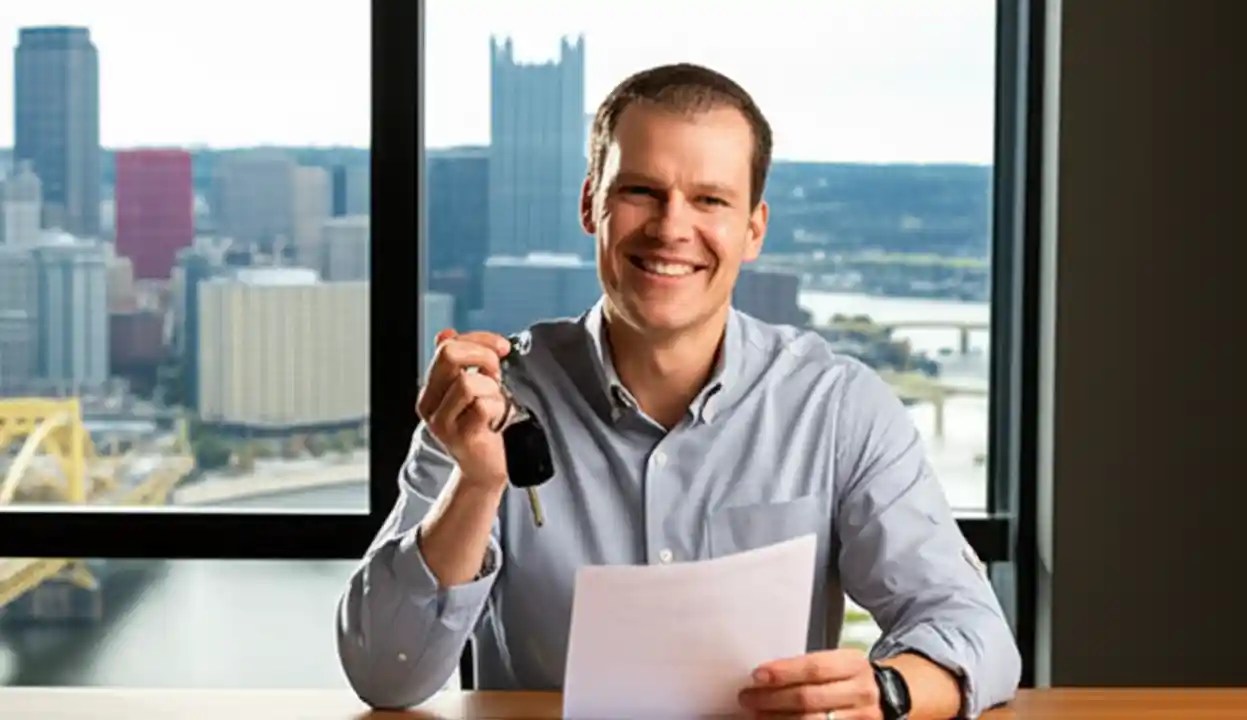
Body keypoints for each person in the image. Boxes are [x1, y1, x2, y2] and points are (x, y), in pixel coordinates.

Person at [336, 62, 1020, 719]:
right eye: (640, 192)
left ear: (753, 229)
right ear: (589, 205)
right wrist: (477, 485)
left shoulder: (836, 406)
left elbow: (975, 634)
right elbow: (385, 675)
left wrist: (888, 692)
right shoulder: (487, 401)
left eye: (710, 200)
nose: (671, 228)